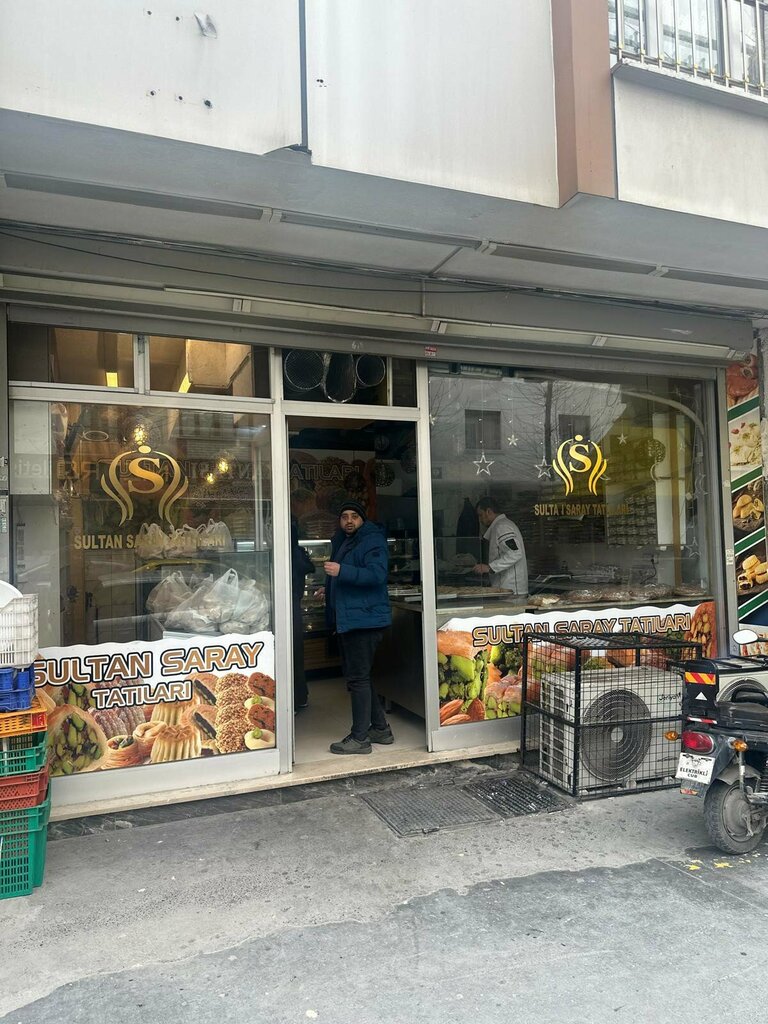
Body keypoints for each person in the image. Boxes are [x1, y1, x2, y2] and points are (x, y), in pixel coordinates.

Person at [322, 499, 394, 755]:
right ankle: (380, 729)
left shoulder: (371, 540)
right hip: (351, 618)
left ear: (363, 519)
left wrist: (342, 571)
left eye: (354, 516)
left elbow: (376, 575)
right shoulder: (345, 541)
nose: (349, 520)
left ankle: (360, 738)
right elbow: (346, 576)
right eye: (345, 516)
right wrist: (329, 588)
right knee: (360, 676)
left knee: (358, 679)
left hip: (364, 620)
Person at [472, 497, 528, 594]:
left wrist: (490, 568)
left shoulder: (502, 527)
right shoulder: (501, 525)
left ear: (488, 511)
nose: (480, 520)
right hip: (507, 588)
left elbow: (515, 553)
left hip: (511, 589)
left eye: (481, 515)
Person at [291, 515, 315, 711]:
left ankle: (295, 699)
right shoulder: (296, 551)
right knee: (296, 654)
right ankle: (300, 696)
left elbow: (308, 567)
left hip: (291, 606)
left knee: (292, 653)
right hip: (295, 604)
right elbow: (310, 567)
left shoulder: (290, 551)